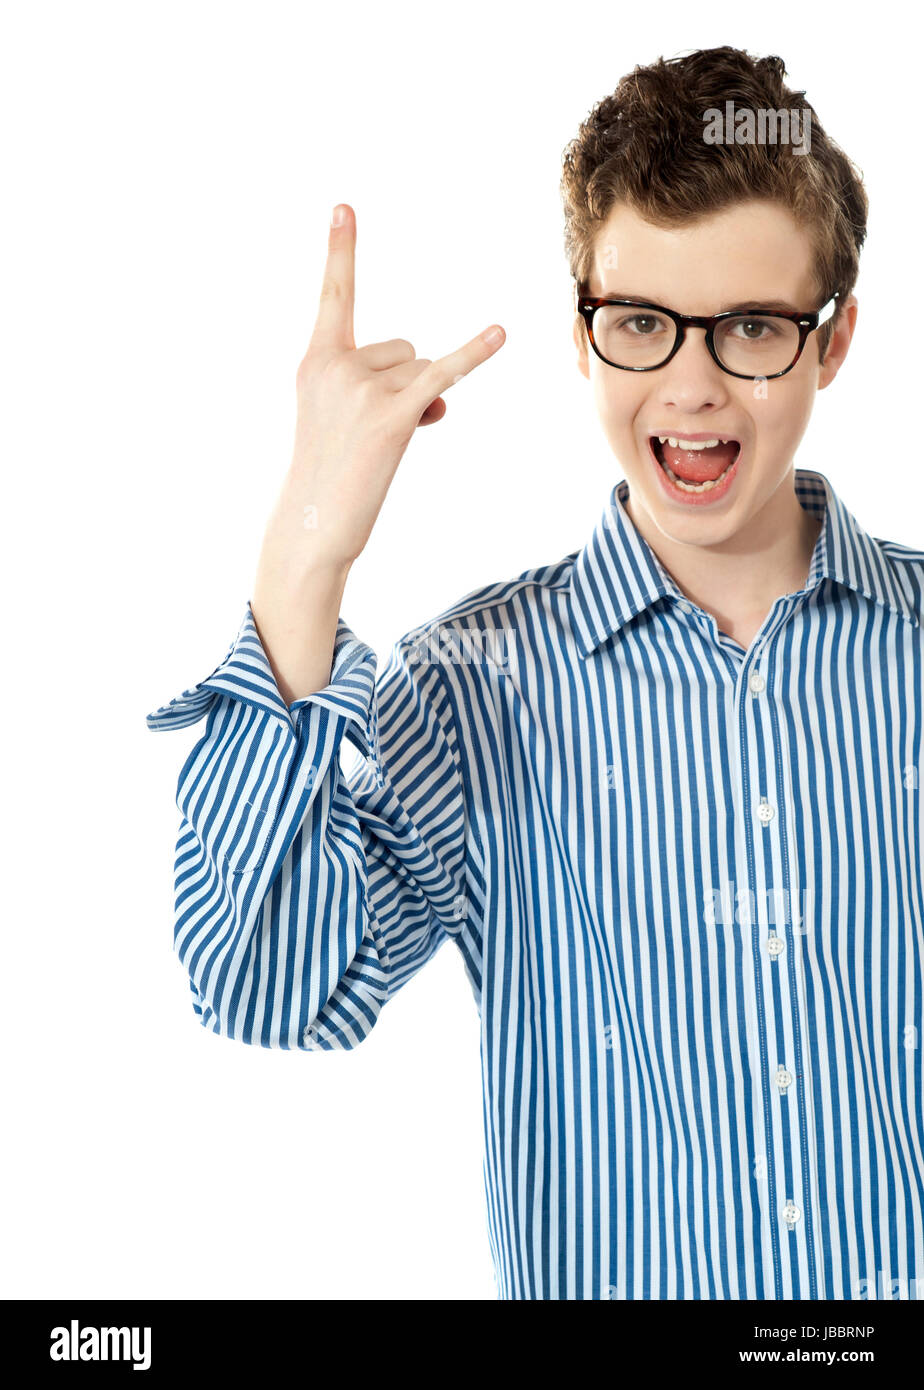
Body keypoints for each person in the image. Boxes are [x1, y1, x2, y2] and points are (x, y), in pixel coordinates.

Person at [145, 45, 924, 1301]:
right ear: (583, 333)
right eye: (640, 323)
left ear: (833, 342)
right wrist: (305, 558)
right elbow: (256, 980)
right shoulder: (473, 688)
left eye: (752, 329)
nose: (690, 385)